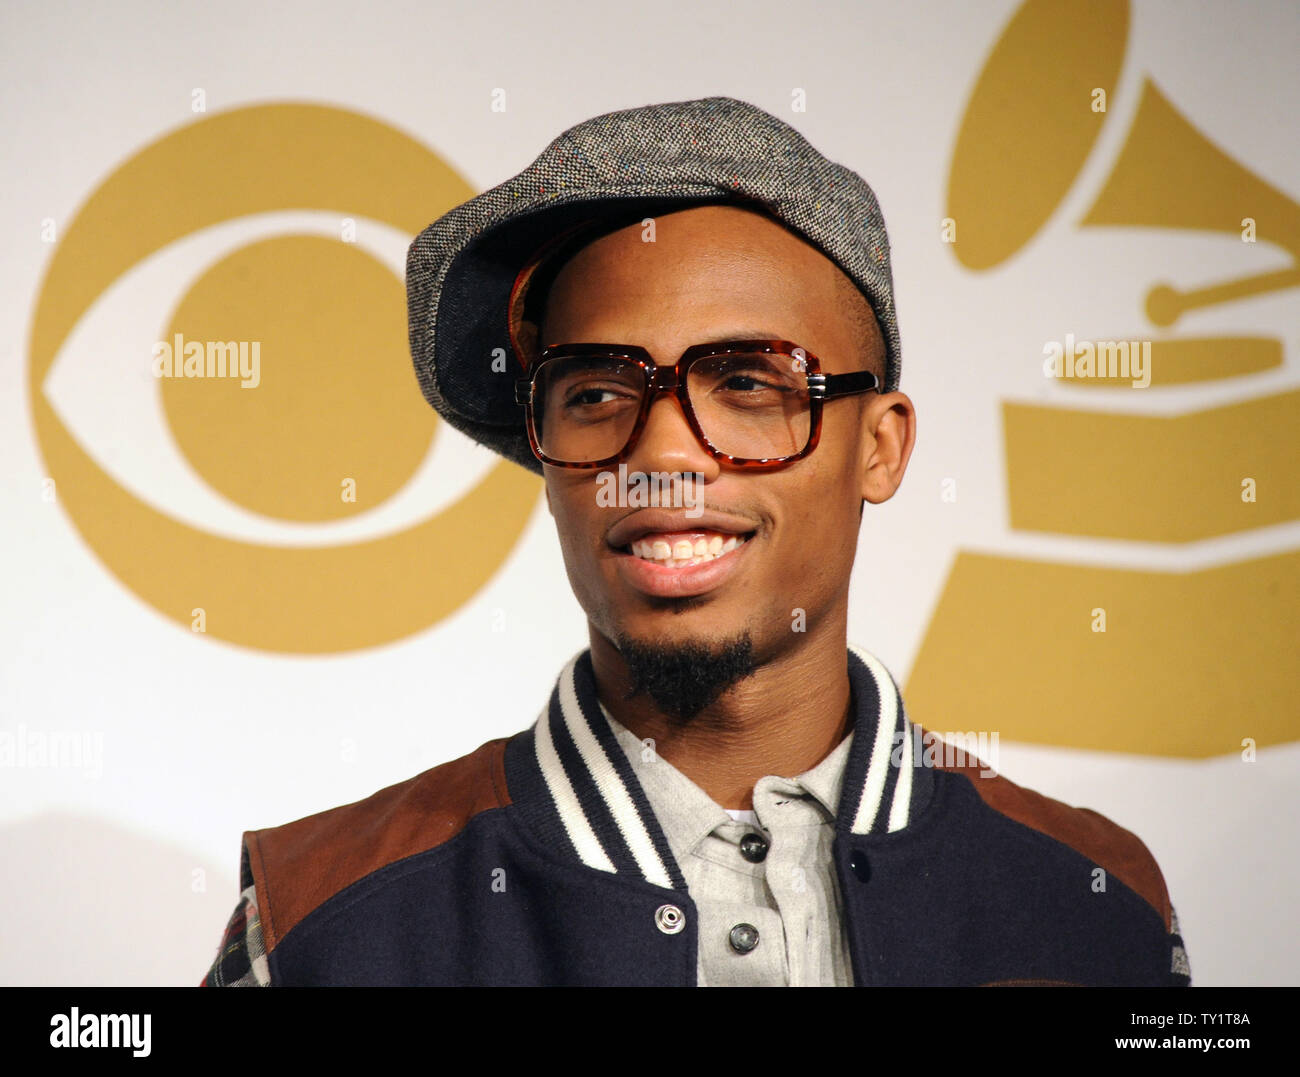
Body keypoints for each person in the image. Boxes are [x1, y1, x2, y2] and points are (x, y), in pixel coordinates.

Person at [202, 96, 1190, 987]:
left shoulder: (1097, 905)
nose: (664, 454)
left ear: (879, 448)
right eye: (595, 393)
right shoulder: (321, 925)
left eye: (750, 384)